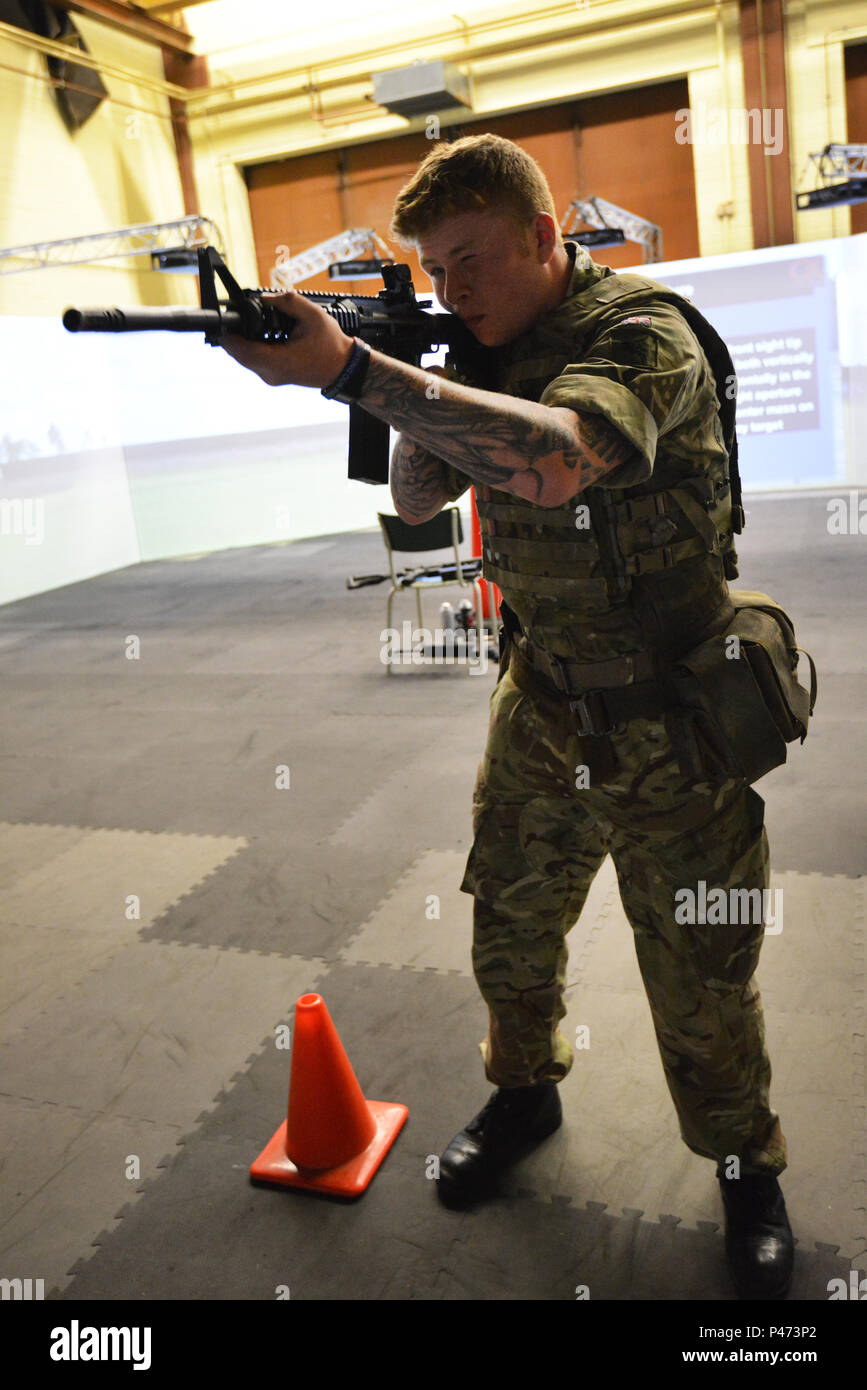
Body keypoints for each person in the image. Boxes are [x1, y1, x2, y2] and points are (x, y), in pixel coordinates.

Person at [220, 132, 794, 1301]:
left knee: (699, 970)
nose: (455, 288)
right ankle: (525, 1090)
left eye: (473, 258)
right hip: (541, 703)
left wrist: (351, 373)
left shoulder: (645, 335)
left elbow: (554, 465)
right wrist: (410, 377)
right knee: (509, 930)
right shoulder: (484, 346)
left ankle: (745, 1164)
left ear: (546, 236)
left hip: (671, 712)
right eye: (435, 271)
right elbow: (424, 496)